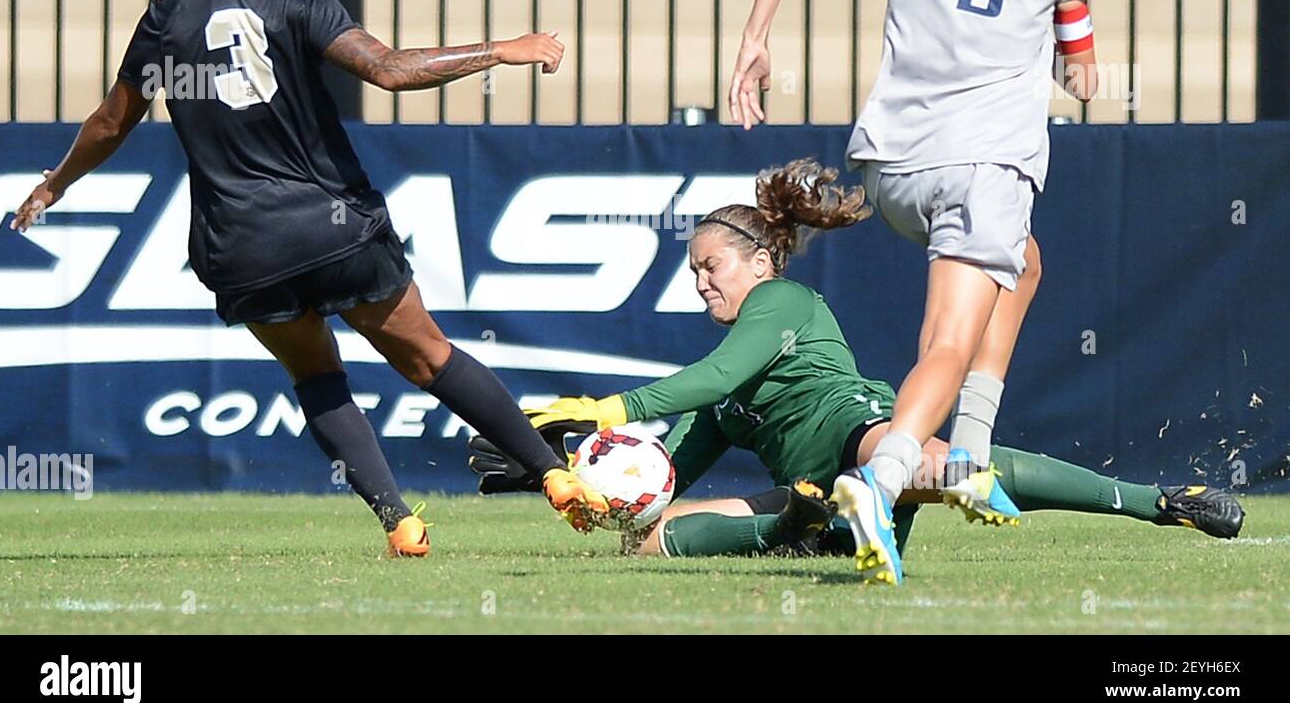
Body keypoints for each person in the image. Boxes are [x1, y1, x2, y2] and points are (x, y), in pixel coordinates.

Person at [10, 0, 606, 558]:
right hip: (336, 230)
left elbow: (112, 122)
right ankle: (553, 474)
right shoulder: (298, 0)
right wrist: (500, 50)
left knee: (317, 378)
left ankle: (398, 521)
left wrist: (58, 183)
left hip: (242, 248)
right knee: (429, 359)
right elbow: (390, 69)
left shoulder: (167, 19)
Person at [468, 160, 1244, 573]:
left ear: (761, 261)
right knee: (646, 544)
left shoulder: (779, 303)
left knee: (937, 466)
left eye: (712, 267)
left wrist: (607, 411)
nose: (701, 281)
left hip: (860, 438)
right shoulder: (720, 399)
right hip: (814, 490)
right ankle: (812, 525)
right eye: (695, 271)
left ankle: (1160, 501)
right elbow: (658, 481)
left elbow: (706, 378)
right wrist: (561, 475)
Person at [725, 0, 1100, 583]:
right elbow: (1079, 49)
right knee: (947, 344)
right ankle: (883, 481)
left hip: (893, 169)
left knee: (1021, 266)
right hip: (983, 170)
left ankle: (969, 453)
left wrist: (756, 39)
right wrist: (1071, 65)